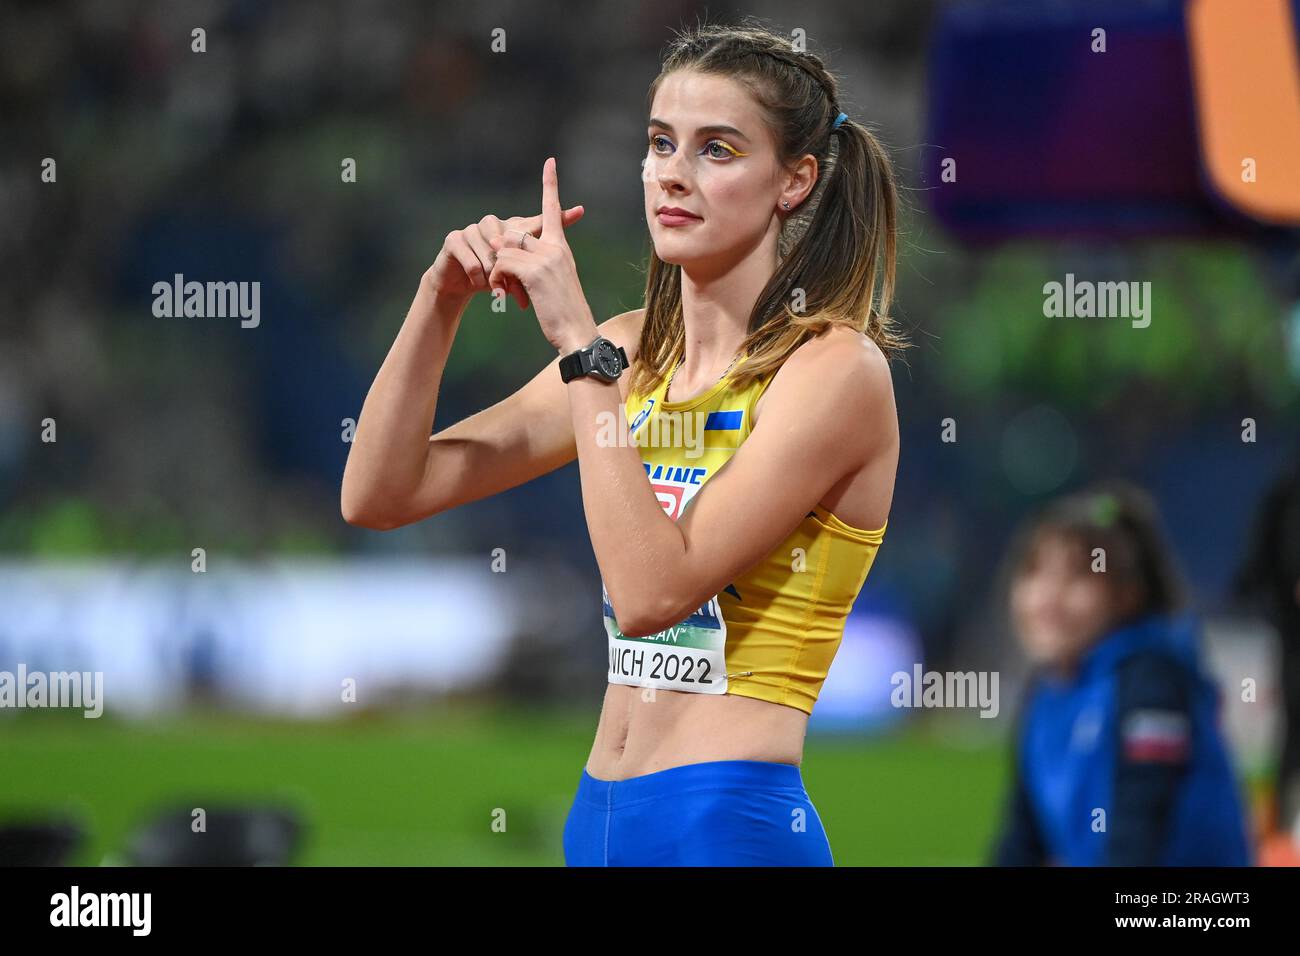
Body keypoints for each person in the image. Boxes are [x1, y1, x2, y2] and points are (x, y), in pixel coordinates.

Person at [341, 19, 904, 866]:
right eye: (660, 144)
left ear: (795, 180)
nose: (673, 174)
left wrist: (579, 351)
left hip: (728, 823)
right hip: (599, 816)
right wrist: (438, 301)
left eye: (717, 149)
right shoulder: (630, 351)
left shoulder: (835, 371)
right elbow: (381, 495)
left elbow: (651, 592)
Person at [992, 482, 1252, 866]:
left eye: (1076, 577)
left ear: (1127, 595)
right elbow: (1022, 842)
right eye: (1034, 573)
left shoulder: (1151, 679)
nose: (1048, 596)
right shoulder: (1046, 691)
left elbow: (1140, 831)